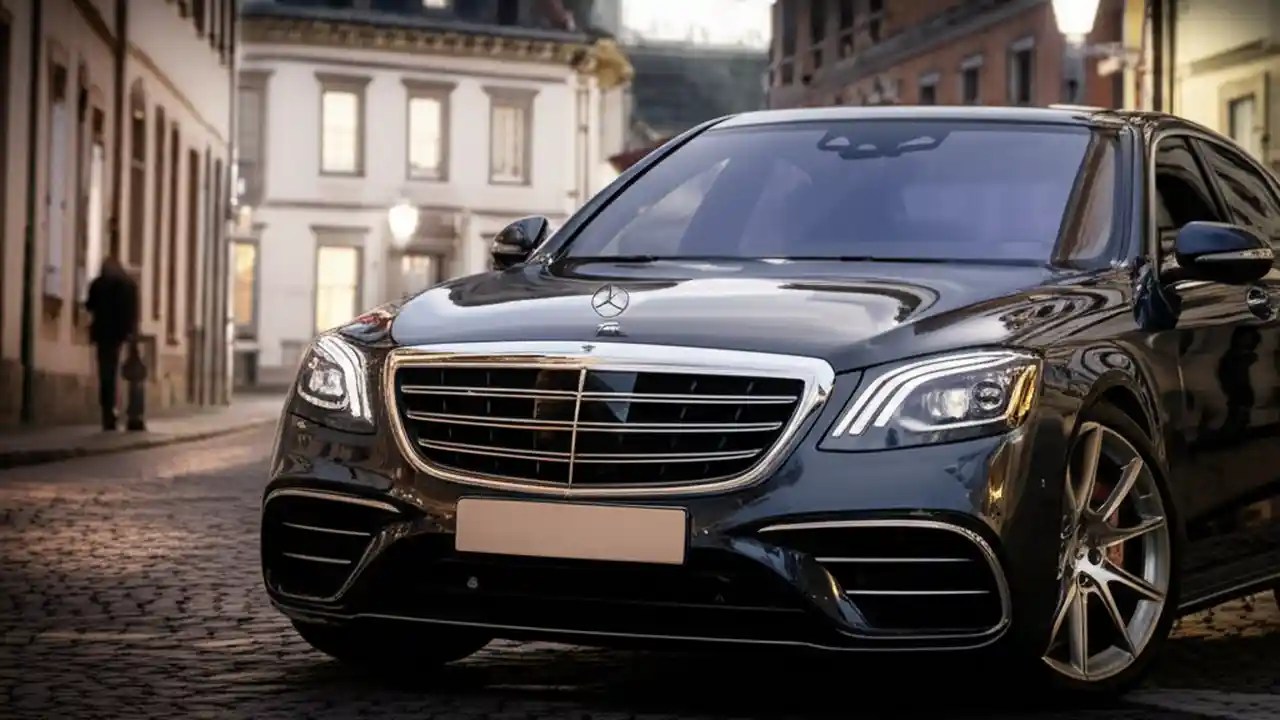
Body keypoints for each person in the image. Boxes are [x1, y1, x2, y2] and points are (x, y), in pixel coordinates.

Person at [85, 256, 139, 430]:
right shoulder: (127, 285)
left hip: (102, 334)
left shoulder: (98, 284)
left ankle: (107, 412)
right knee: (116, 372)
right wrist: (131, 332)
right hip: (119, 334)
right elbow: (132, 311)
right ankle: (118, 411)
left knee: (105, 374)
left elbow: (89, 305)